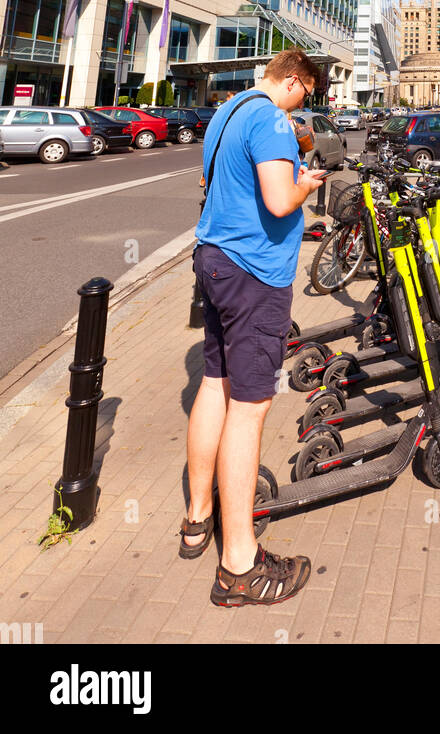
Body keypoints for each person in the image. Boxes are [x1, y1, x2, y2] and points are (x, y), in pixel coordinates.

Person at [181, 48, 326, 607]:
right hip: (253, 275)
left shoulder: (228, 109)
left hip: (214, 261)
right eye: (305, 95)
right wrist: (306, 183)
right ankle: (239, 565)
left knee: (213, 384)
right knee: (250, 405)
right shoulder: (269, 119)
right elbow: (277, 198)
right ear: (293, 81)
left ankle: (198, 519)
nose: (304, 108)